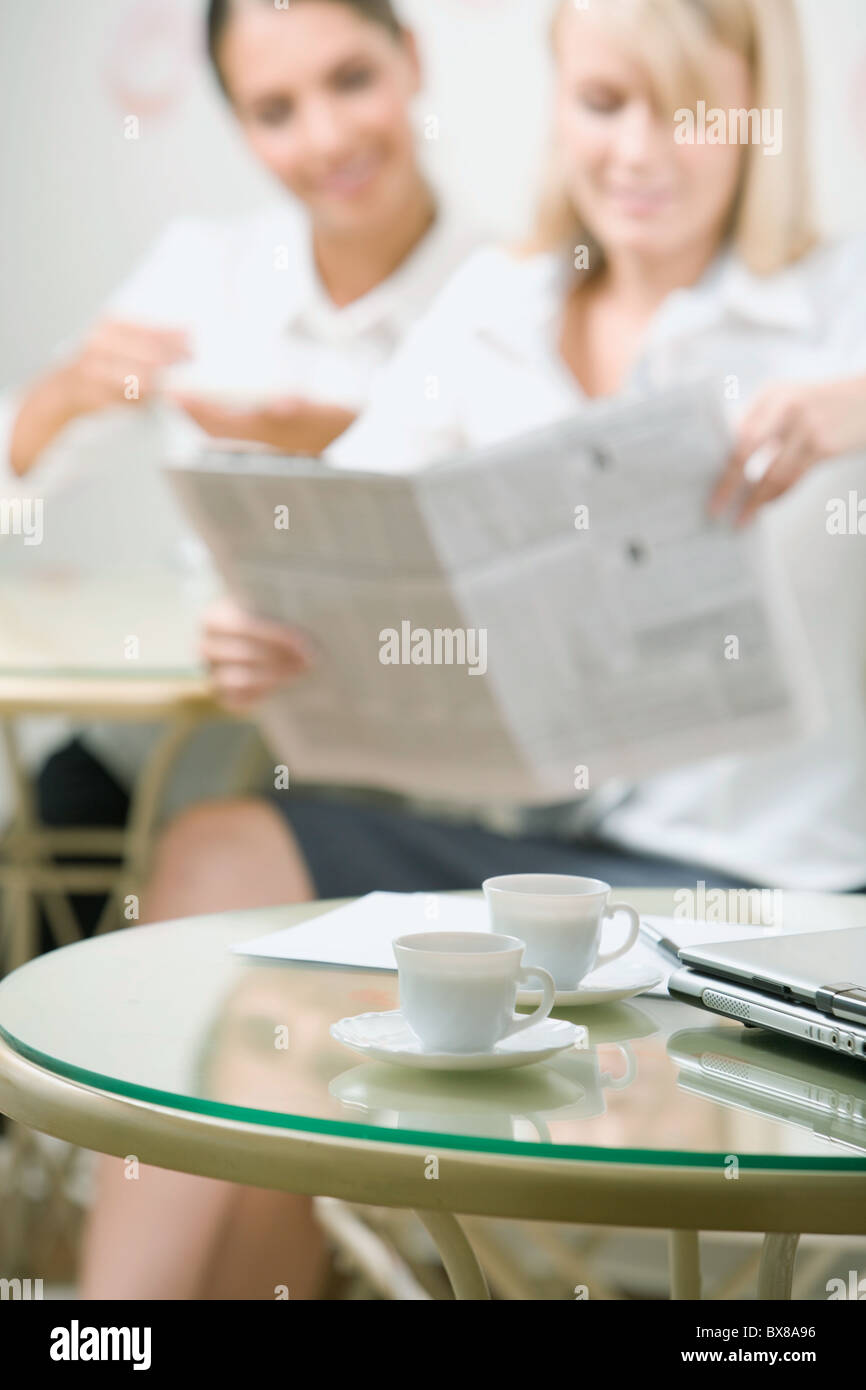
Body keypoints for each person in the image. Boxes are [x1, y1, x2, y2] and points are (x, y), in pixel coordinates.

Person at [81, 0, 866, 1299]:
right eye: (601, 104)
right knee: (222, 849)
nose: (638, 154)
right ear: (555, 106)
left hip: (770, 896)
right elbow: (334, 532)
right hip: (548, 871)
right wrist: (263, 631)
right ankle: (112, 1325)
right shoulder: (500, 302)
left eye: (682, 113)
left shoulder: (840, 308)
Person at [2, 0, 481, 935]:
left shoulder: (510, 293)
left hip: (377, 803)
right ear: (239, 127)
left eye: (351, 80)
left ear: (411, 60)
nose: (328, 136)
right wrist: (62, 398)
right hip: (144, 772)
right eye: (276, 110)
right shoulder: (206, 277)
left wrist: (358, 445)